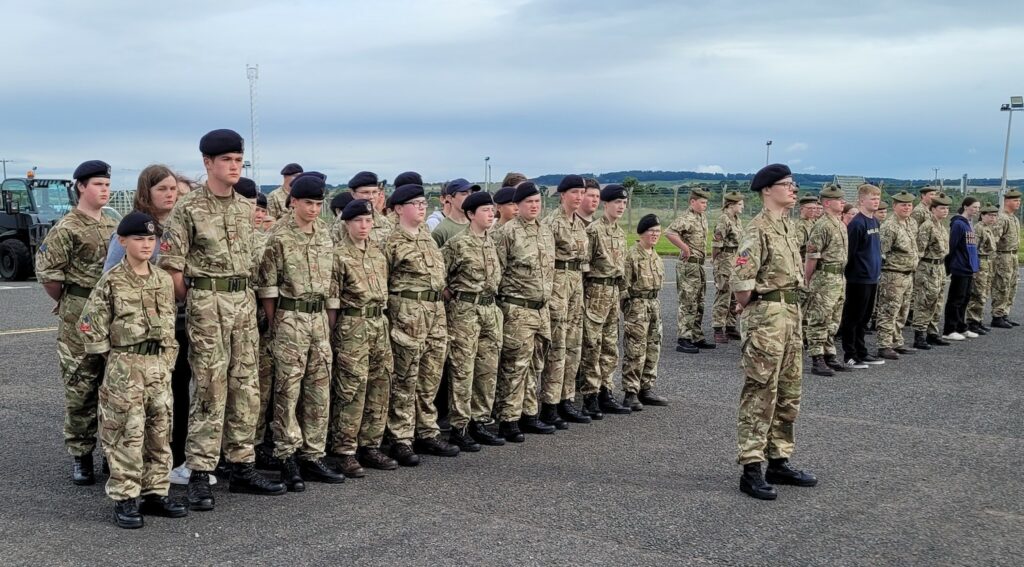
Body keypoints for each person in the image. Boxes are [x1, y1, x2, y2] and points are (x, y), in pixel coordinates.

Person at [159, 129, 286, 511]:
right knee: (210, 388)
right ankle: (199, 472)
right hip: (207, 303)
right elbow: (172, 269)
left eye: (238, 161)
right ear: (208, 163)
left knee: (246, 386)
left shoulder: (246, 208)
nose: (234, 167)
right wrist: (198, 300)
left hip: (243, 302)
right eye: (227, 161)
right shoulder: (188, 209)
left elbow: (256, 261)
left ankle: (242, 464)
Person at [78, 212, 188, 528]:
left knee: (159, 431)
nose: (146, 244)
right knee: (127, 432)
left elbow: (169, 326)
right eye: (139, 238)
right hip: (125, 366)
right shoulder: (112, 280)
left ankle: (155, 492)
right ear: (123, 241)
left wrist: (166, 362)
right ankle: (126, 497)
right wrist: (110, 360)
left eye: (151, 239)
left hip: (157, 366)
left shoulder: (162, 280)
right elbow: (89, 324)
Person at [731, 163, 816, 501]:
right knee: (760, 390)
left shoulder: (788, 228)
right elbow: (741, 284)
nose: (793, 190)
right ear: (767, 190)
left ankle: (779, 459)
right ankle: (751, 468)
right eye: (787, 184)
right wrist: (761, 308)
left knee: (789, 390)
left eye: (794, 184)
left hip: (791, 314)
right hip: (767, 316)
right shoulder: (757, 229)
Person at [256, 172, 345, 490]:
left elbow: (333, 280)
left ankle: (312, 454)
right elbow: (268, 286)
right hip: (289, 317)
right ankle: (287, 455)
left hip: (318, 318)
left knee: (318, 389)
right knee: (287, 390)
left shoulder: (324, 233)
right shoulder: (279, 235)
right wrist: (277, 322)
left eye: (318, 204)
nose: (313, 209)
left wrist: (329, 320)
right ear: (293, 202)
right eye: (308, 203)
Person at [35, 159, 117, 485]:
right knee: (80, 385)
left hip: (111, 310)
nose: (104, 190)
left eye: (107, 185)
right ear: (81, 186)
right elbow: (49, 275)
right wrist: (70, 301)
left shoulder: (113, 223)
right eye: (98, 184)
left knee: (113, 385)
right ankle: (81, 455)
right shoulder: (67, 227)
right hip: (79, 311)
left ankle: (113, 454)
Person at [383, 183, 459, 464]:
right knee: (405, 376)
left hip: (434, 312)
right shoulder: (391, 241)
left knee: (430, 375)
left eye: (423, 202)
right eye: (415, 203)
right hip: (407, 313)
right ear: (400, 208)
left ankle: (427, 431)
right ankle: (401, 437)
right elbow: (383, 282)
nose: (422, 207)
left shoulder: (427, 236)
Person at [327, 199, 397, 477]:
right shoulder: (338, 256)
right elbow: (332, 300)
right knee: (351, 387)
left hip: (378, 322)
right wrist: (334, 333)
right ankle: (345, 449)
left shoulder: (378, 254)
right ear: (347, 223)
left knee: (380, 384)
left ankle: (371, 444)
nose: (364, 226)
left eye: (368, 221)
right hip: (352, 324)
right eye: (358, 221)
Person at [441, 191, 506, 450]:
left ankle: (480, 421)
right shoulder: (457, 244)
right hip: (465, 311)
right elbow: (439, 277)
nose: (491, 214)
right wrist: (453, 297)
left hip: (489, 309)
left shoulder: (491, 241)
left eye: (492, 210)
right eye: (485, 211)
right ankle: (460, 425)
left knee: (487, 369)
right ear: (470, 214)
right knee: (463, 368)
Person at [493, 182, 556, 442]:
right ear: (517, 205)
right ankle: (509, 418)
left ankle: (529, 414)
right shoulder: (507, 233)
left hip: (541, 310)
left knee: (535, 364)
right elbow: (496, 272)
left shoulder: (545, 232)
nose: (534, 206)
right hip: (517, 309)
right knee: (515, 366)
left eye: (537, 201)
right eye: (529, 201)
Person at [539, 175, 591, 427]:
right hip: (558, 285)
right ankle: (550, 404)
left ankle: (566, 398)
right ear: (562, 195)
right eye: (574, 192)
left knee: (573, 346)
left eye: (582, 192)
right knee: (557, 347)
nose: (579, 197)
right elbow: (546, 262)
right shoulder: (551, 223)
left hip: (575, 285)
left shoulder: (579, 225)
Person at [579, 184, 632, 414]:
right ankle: (590, 394)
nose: (621, 207)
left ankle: (605, 391)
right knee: (592, 345)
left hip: (612, 293)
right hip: (595, 292)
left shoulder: (620, 233)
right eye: (617, 202)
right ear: (606, 204)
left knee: (610, 346)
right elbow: (583, 266)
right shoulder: (594, 231)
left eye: (624, 203)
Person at [621, 214, 669, 409]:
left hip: (653, 304)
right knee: (635, 349)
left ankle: (646, 387)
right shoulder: (632, 255)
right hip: (637, 305)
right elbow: (623, 286)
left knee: (653, 347)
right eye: (651, 231)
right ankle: (630, 392)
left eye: (657, 232)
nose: (655, 235)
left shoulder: (655, 256)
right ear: (642, 233)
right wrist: (629, 309)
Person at [803, 186, 849, 376]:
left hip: (838, 276)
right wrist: (807, 280)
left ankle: (829, 354)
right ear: (828, 203)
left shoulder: (839, 223)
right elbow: (812, 256)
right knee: (819, 318)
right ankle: (817, 358)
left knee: (833, 319)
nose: (843, 202)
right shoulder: (822, 225)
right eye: (839, 199)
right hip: (824, 278)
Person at [837, 184, 885, 369]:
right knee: (853, 317)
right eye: (872, 199)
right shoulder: (857, 223)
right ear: (861, 201)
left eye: (877, 198)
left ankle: (861, 351)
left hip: (872, 277)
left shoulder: (874, 222)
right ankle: (850, 354)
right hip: (858, 278)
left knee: (864, 318)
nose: (876, 202)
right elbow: (850, 253)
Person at [666, 187, 714, 353]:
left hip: (699, 265)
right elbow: (670, 232)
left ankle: (696, 335)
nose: (704, 205)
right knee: (688, 301)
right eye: (701, 202)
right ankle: (684, 338)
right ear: (692, 202)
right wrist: (685, 248)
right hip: (689, 265)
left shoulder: (701, 218)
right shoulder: (686, 218)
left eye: (706, 203)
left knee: (699, 301)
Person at [875, 191, 920, 359]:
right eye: (903, 205)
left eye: (909, 205)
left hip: (908, 274)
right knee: (889, 310)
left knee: (903, 310)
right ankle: (884, 344)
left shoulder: (912, 223)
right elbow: (882, 252)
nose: (907, 207)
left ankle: (896, 341)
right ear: (894, 206)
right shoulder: (889, 226)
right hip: (893, 274)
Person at [911, 192, 952, 349]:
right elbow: (919, 249)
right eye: (941, 208)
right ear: (933, 209)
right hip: (927, 267)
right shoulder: (927, 226)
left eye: (947, 208)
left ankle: (932, 333)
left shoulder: (941, 226)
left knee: (938, 301)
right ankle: (919, 334)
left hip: (939, 266)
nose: (945, 211)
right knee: (925, 301)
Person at [942, 197, 981, 340]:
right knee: (956, 299)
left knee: (965, 299)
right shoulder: (958, 224)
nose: (977, 210)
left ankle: (960, 326)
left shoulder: (969, 223)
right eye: (974, 207)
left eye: (978, 207)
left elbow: (971, 248)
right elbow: (952, 246)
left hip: (969, 267)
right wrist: (950, 265)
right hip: (960, 267)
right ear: (965, 206)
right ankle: (949, 329)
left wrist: (975, 266)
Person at [711, 191, 744, 343]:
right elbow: (717, 244)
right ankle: (718, 328)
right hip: (725, 258)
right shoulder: (724, 220)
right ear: (731, 205)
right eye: (740, 204)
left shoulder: (737, 219)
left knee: (733, 294)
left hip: (735, 259)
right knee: (723, 292)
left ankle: (730, 326)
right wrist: (715, 259)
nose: (742, 207)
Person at [990, 189, 1022, 328]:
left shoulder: (1014, 218)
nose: (1018, 203)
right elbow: (994, 240)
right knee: (1001, 285)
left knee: (1011, 286)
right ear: (1007, 201)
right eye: (1015, 200)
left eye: (1019, 201)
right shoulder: (1002, 218)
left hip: (1013, 255)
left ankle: (1004, 313)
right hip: (1003, 256)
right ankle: (997, 315)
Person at [966, 203, 1000, 334]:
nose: (993, 218)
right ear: (982, 216)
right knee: (978, 293)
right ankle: (972, 321)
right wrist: (974, 267)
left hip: (987, 262)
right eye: (990, 215)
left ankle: (978, 320)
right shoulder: (978, 228)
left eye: (995, 216)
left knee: (984, 293)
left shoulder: (988, 228)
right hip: (980, 262)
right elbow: (973, 248)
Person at [794, 194, 818, 264]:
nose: (813, 210)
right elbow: (798, 246)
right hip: (804, 261)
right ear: (801, 209)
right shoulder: (799, 225)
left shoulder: (813, 222)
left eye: (814, 208)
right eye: (809, 208)